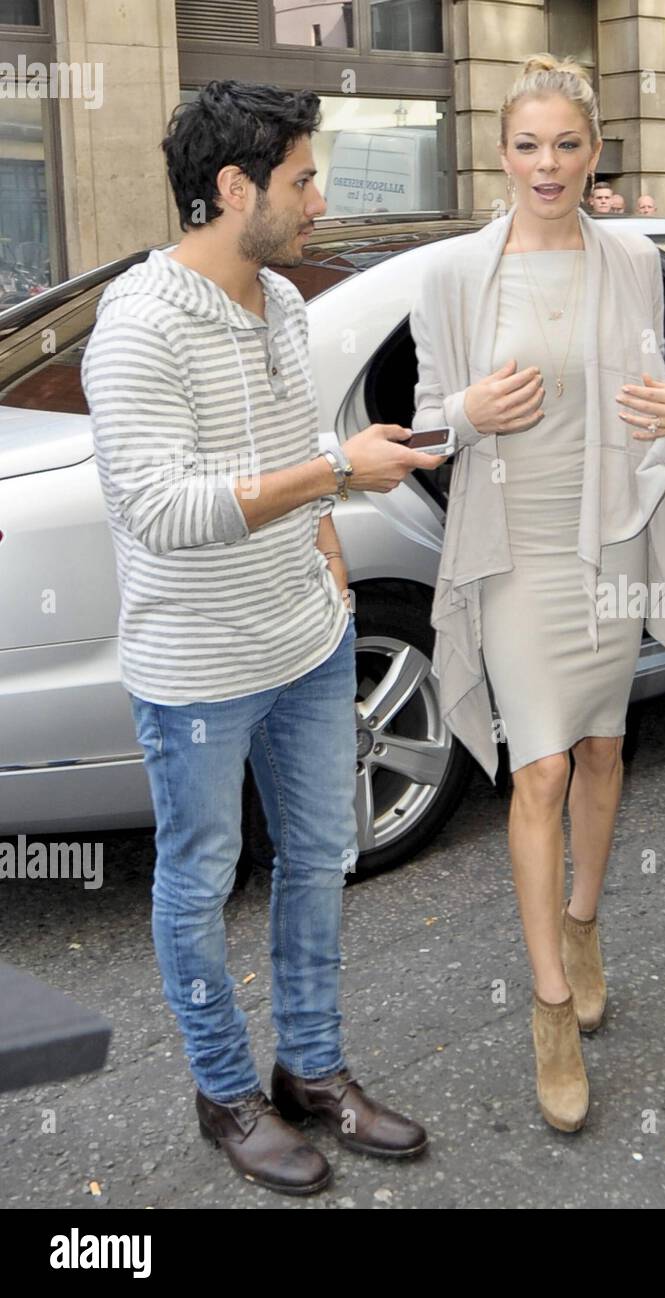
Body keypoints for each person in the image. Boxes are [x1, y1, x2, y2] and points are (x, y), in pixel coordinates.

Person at [83, 80, 442, 1195]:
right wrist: (337, 470)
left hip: (309, 639)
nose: (319, 197)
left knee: (321, 856)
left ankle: (314, 1068)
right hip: (196, 667)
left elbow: (291, 446)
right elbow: (165, 510)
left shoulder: (282, 304)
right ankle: (226, 1090)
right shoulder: (137, 327)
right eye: (301, 178)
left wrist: (328, 547)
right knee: (199, 879)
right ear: (235, 189)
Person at [409, 53, 665, 1131]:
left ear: (595, 152)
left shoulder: (633, 263)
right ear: (499, 152)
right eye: (526, 145)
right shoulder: (456, 275)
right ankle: (550, 1004)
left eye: (566, 145)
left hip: (610, 535)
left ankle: (586, 919)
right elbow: (423, 429)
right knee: (542, 764)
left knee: (603, 745)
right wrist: (469, 409)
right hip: (513, 549)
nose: (546, 165)